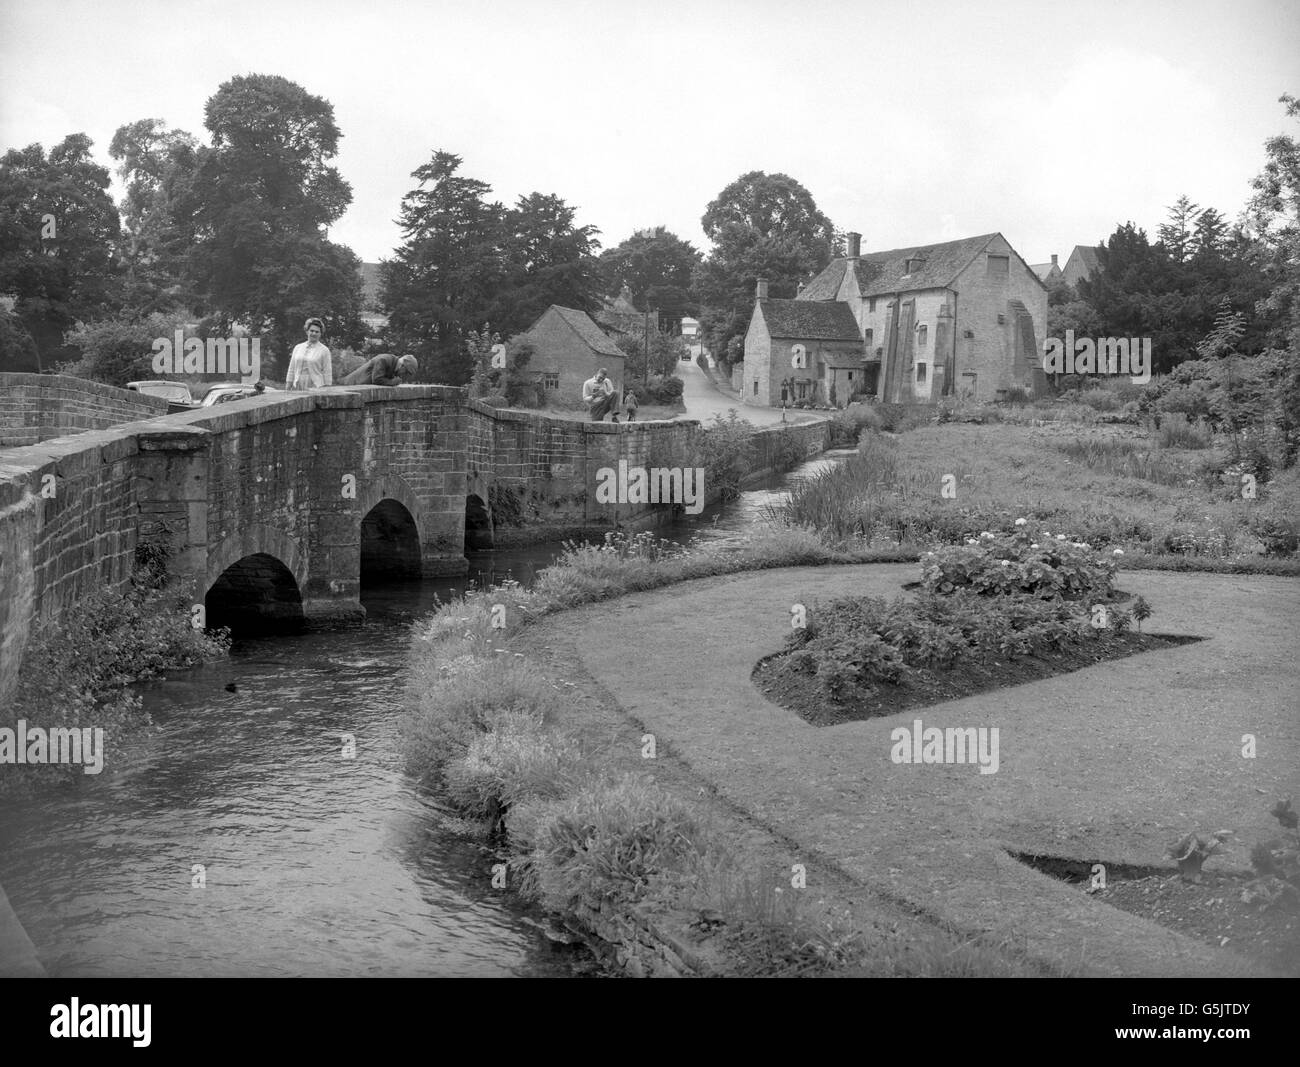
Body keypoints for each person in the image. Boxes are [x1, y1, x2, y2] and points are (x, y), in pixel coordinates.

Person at [285, 317, 333, 390]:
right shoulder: (298, 347)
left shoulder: (324, 350)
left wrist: (327, 390)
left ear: (320, 334)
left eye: (317, 332)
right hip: (298, 385)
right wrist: (288, 386)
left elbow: (327, 372)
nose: (314, 333)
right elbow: (291, 369)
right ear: (307, 331)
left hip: (316, 386)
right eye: (312, 331)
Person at [341, 353, 417, 386]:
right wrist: (393, 382)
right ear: (402, 365)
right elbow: (377, 379)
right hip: (348, 386)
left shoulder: (394, 368)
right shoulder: (384, 360)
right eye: (406, 372)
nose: (404, 375)